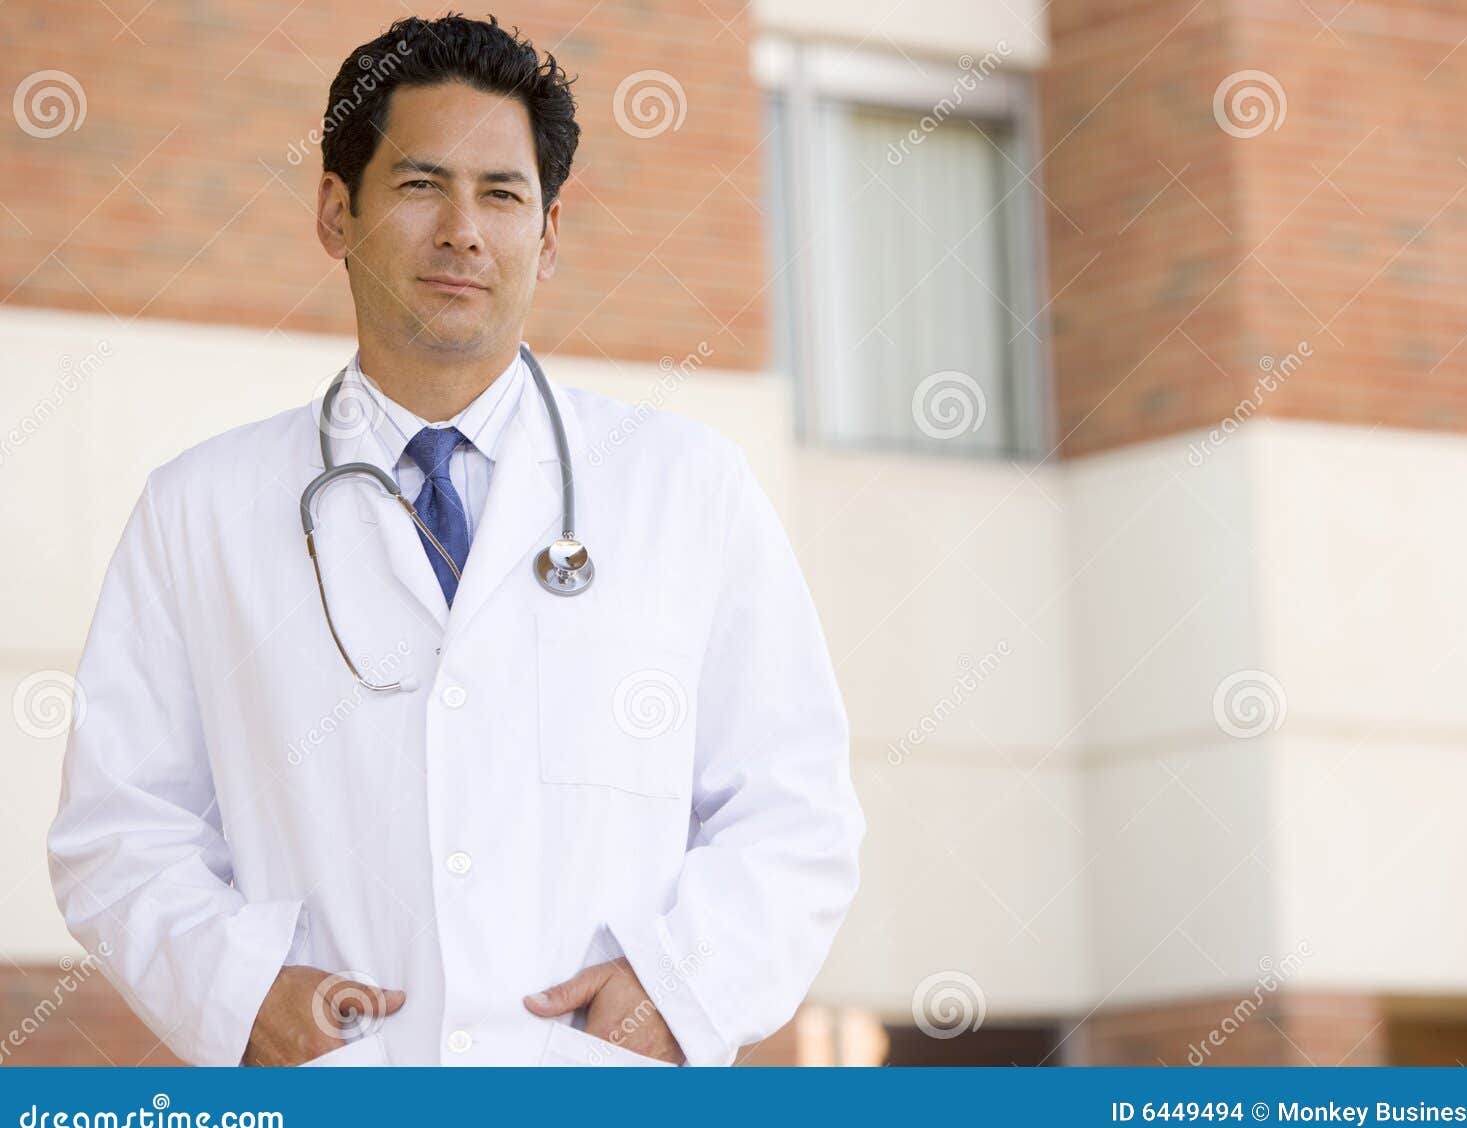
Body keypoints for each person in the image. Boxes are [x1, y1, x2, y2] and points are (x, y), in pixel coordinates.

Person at [46, 13, 863, 1068]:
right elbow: (121, 823)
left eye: (504, 193)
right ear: (337, 212)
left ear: (549, 233)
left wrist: (674, 991)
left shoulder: (686, 488)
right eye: (422, 184)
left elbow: (793, 803)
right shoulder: (198, 509)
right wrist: (243, 994)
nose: (464, 230)